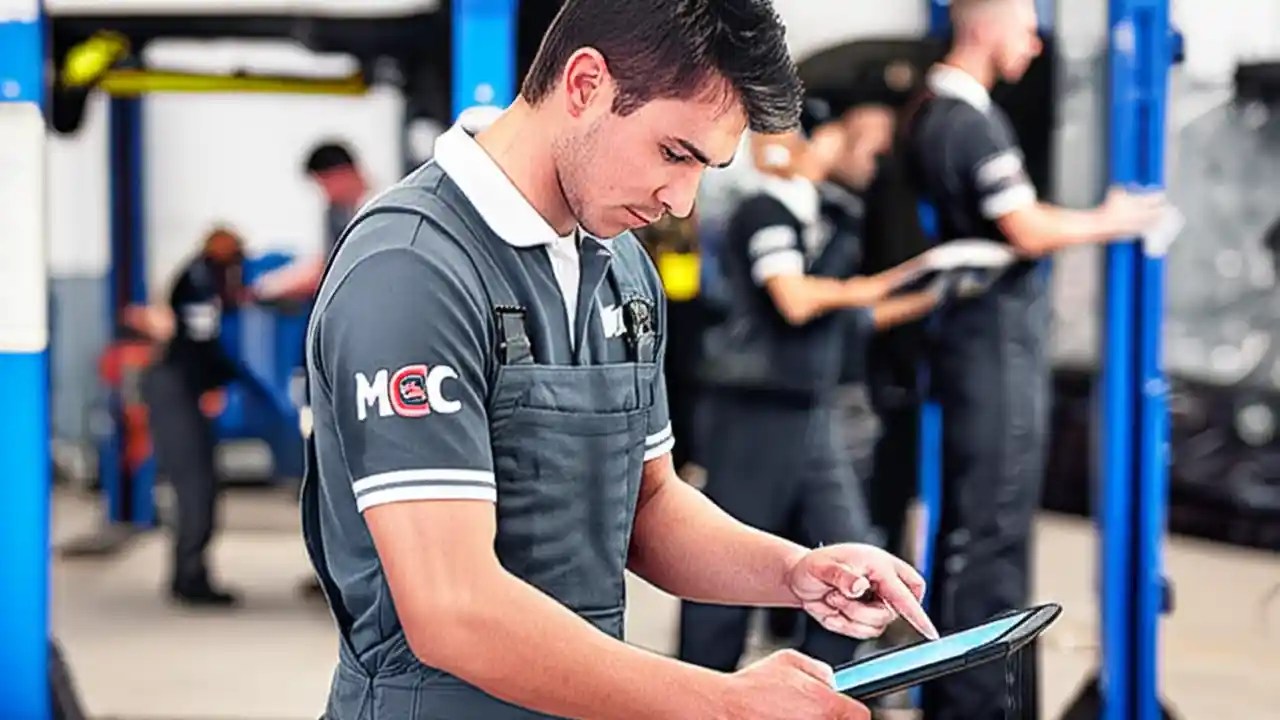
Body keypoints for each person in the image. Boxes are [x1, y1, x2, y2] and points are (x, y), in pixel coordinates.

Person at [301, 1, 939, 718]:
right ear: (584, 85)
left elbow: (647, 506)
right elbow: (454, 608)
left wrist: (793, 571)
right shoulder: (413, 270)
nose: (680, 198)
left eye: (707, 167)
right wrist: (722, 702)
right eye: (674, 154)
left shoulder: (622, 269)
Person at [899, 1, 1167, 717]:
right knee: (990, 541)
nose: (1036, 43)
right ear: (985, 24)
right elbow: (1026, 226)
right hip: (989, 357)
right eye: (1025, 24)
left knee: (976, 535)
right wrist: (1115, 219)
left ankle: (967, 700)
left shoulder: (935, 111)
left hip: (976, 352)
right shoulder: (967, 121)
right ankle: (976, 707)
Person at [680, 120, 940, 673]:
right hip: (754, 413)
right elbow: (795, 300)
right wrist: (877, 285)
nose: (870, 158)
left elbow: (849, 319)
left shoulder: (828, 217)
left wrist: (937, 293)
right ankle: (701, 699)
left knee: (858, 563)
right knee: (722, 573)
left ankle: (822, 692)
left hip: (809, 410)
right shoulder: (763, 211)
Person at [126, 227, 249, 607]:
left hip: (180, 388)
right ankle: (189, 577)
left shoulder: (198, 279)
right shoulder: (201, 283)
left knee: (198, 485)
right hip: (176, 390)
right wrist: (227, 379)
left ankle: (190, 572)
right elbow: (199, 345)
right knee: (195, 486)